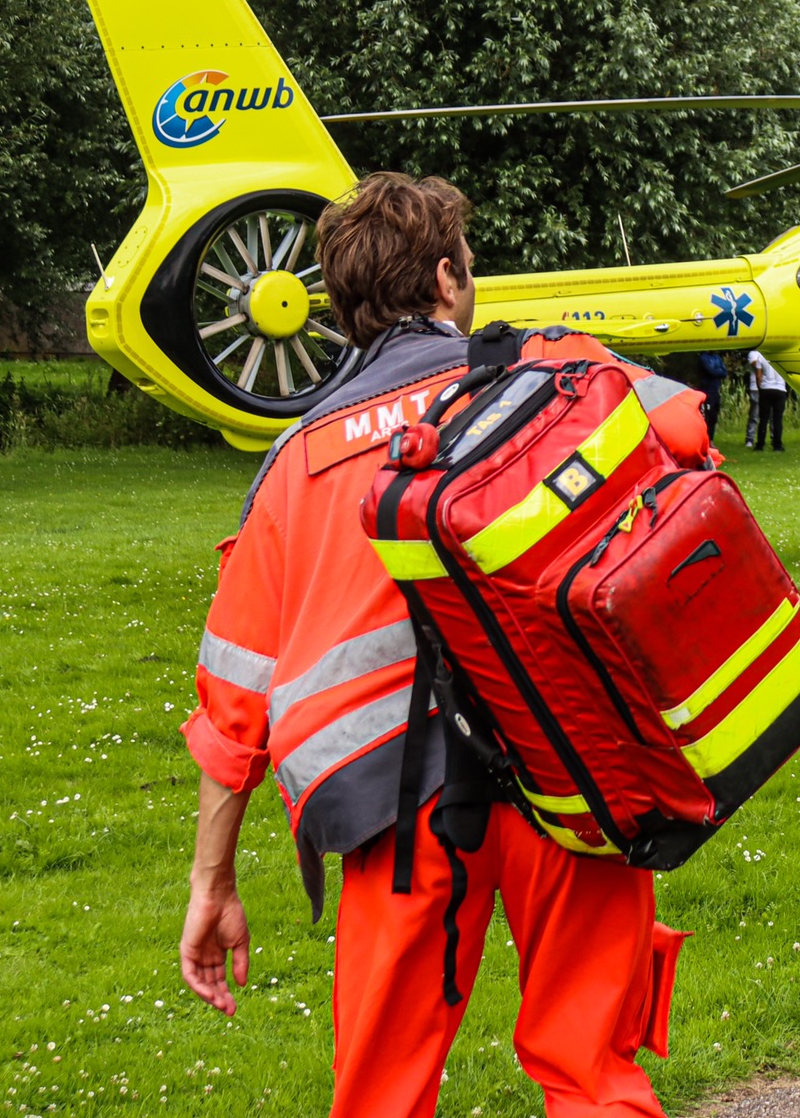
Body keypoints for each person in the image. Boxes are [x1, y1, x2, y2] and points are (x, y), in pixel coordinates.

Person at [177, 174, 706, 1118]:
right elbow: (686, 430)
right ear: (448, 278)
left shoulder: (294, 463)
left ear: (341, 313)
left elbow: (233, 707)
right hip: (572, 765)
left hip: (396, 810)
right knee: (594, 1076)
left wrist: (212, 881)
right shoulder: (555, 372)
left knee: (381, 1096)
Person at [748, 349, 788, 452]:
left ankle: (760, 444)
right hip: (780, 389)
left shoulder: (761, 356)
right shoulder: (782, 357)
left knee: (763, 419)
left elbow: (758, 375)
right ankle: (777, 445)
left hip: (766, 388)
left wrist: (760, 388)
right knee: (777, 419)